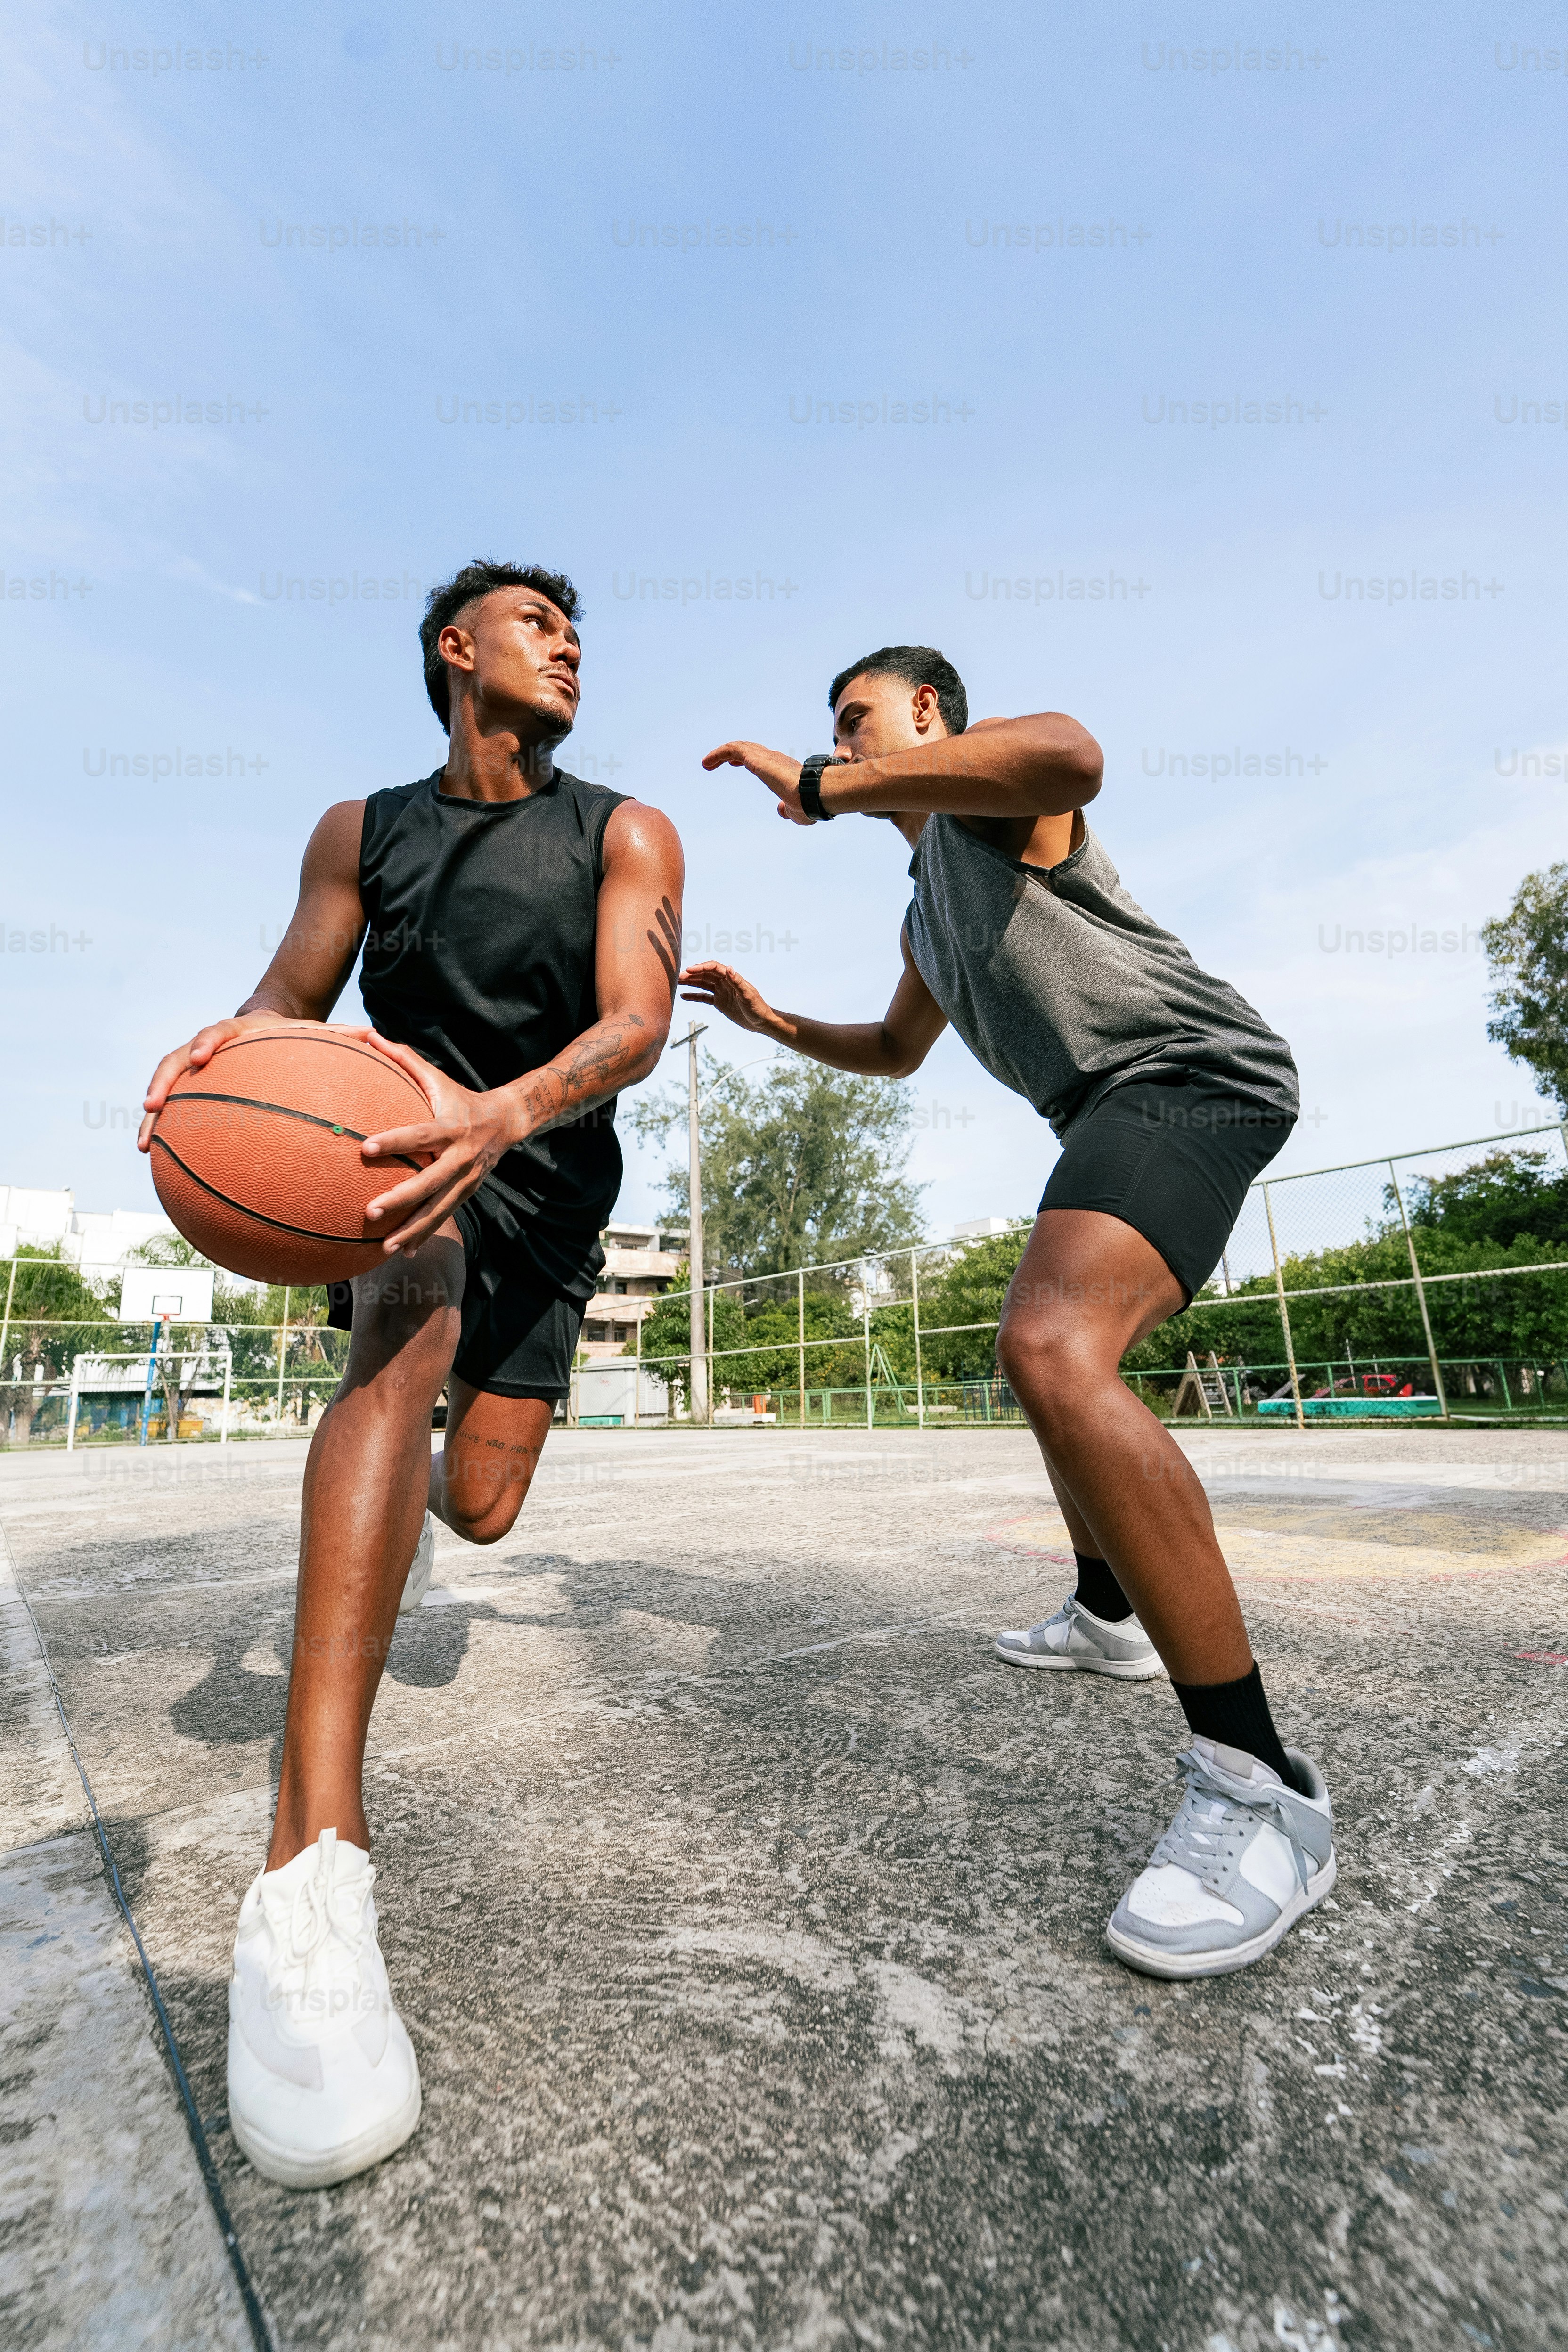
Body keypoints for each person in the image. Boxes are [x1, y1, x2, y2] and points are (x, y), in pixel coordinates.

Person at [138, 561, 683, 2183]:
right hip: (392, 1150)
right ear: (458, 651)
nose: (570, 642)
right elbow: (286, 1001)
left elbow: (637, 1021)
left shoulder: (626, 828)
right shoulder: (357, 831)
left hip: (547, 1157)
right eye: (537, 622)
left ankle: (418, 1503)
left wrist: (507, 1113)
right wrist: (214, 1060)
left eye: (576, 630)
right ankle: (311, 1865)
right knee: (407, 1310)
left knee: (487, 1504)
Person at [680, 645, 1334, 1981]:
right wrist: (770, 1023)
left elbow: (1073, 752)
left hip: (1194, 1073)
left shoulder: (995, 806)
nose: (846, 743)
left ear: (926, 715)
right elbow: (893, 1048)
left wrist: (820, 780)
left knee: (1051, 1341)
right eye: (835, 733)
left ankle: (1264, 1786)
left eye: (859, 719)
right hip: (1110, 1107)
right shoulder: (926, 907)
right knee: (1038, 1349)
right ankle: (1105, 1614)